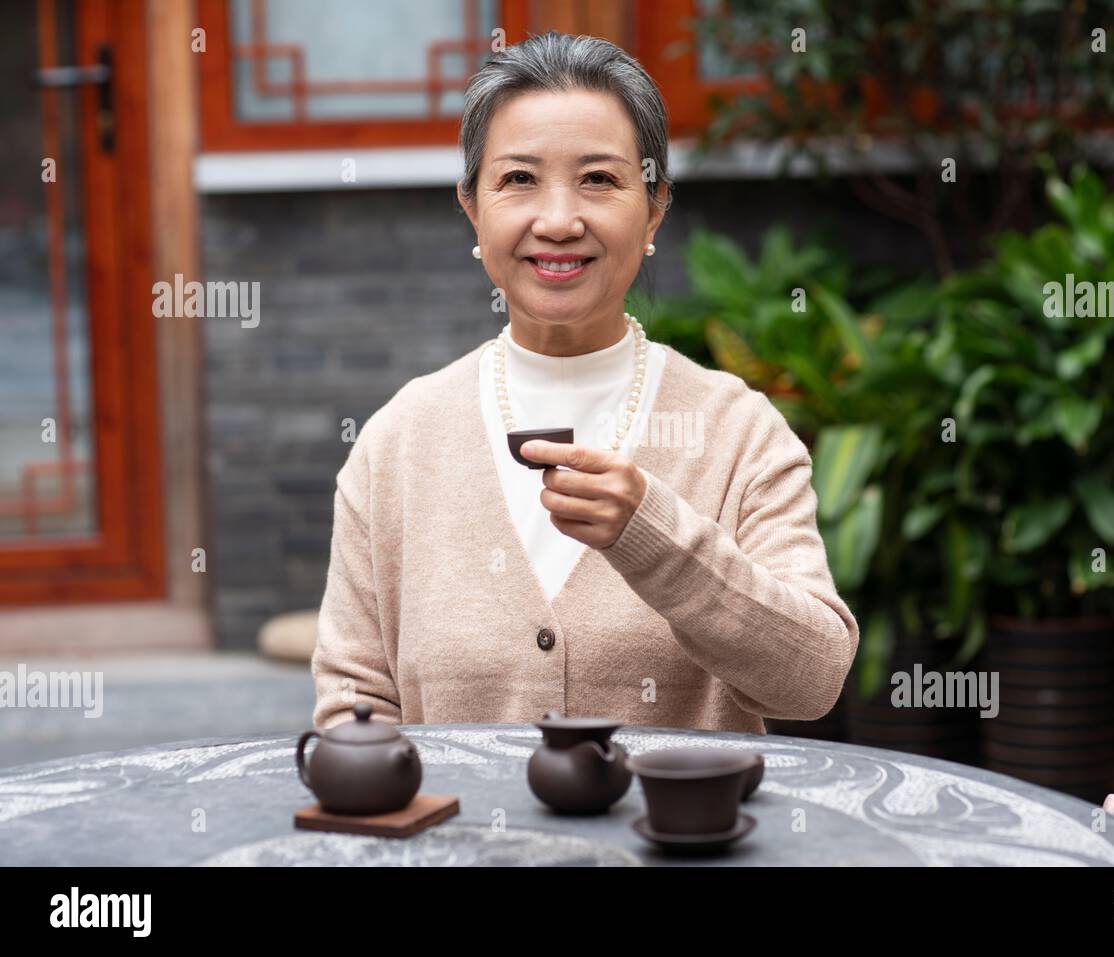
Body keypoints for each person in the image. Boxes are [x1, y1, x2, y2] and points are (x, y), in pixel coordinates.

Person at [310, 31, 859, 734]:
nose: (560, 219)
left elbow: (811, 680)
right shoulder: (399, 440)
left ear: (654, 206)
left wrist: (652, 535)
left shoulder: (737, 432)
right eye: (518, 179)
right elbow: (352, 711)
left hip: (674, 846)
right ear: (473, 208)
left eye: (599, 179)